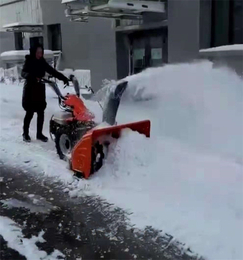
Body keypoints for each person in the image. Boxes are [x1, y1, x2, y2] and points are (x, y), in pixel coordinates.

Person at [21, 44, 69, 143]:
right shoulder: (29, 61)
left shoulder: (42, 62)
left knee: (40, 112)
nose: (40, 54)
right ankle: (25, 133)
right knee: (29, 113)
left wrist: (63, 78)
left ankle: (39, 134)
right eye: (38, 52)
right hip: (30, 89)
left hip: (39, 89)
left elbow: (52, 71)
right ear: (34, 52)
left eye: (41, 52)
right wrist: (32, 77)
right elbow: (23, 73)